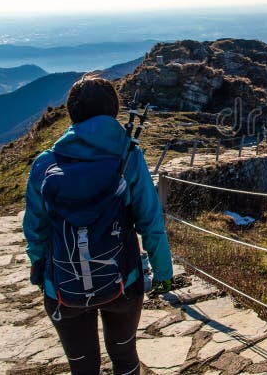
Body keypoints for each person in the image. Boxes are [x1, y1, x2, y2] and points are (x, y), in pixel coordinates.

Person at [23, 75, 173, 375]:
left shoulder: (45, 164)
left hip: (62, 285)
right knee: (124, 356)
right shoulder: (128, 157)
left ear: (72, 112)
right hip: (123, 281)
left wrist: (40, 269)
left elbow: (35, 228)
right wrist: (162, 272)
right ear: (113, 111)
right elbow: (149, 220)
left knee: (83, 367)